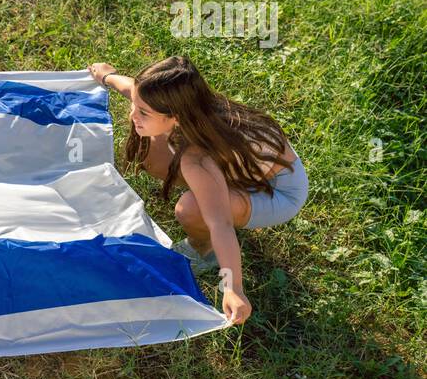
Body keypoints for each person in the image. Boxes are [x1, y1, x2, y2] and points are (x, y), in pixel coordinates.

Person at [88, 56, 308, 326]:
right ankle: (215, 189)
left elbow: (220, 224)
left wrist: (233, 288)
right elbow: (133, 89)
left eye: (144, 112)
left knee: (192, 209)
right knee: (152, 154)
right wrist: (107, 77)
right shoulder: (183, 107)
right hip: (240, 171)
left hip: (276, 192)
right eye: (137, 105)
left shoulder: (197, 158)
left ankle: (203, 250)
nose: (133, 115)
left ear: (176, 117)